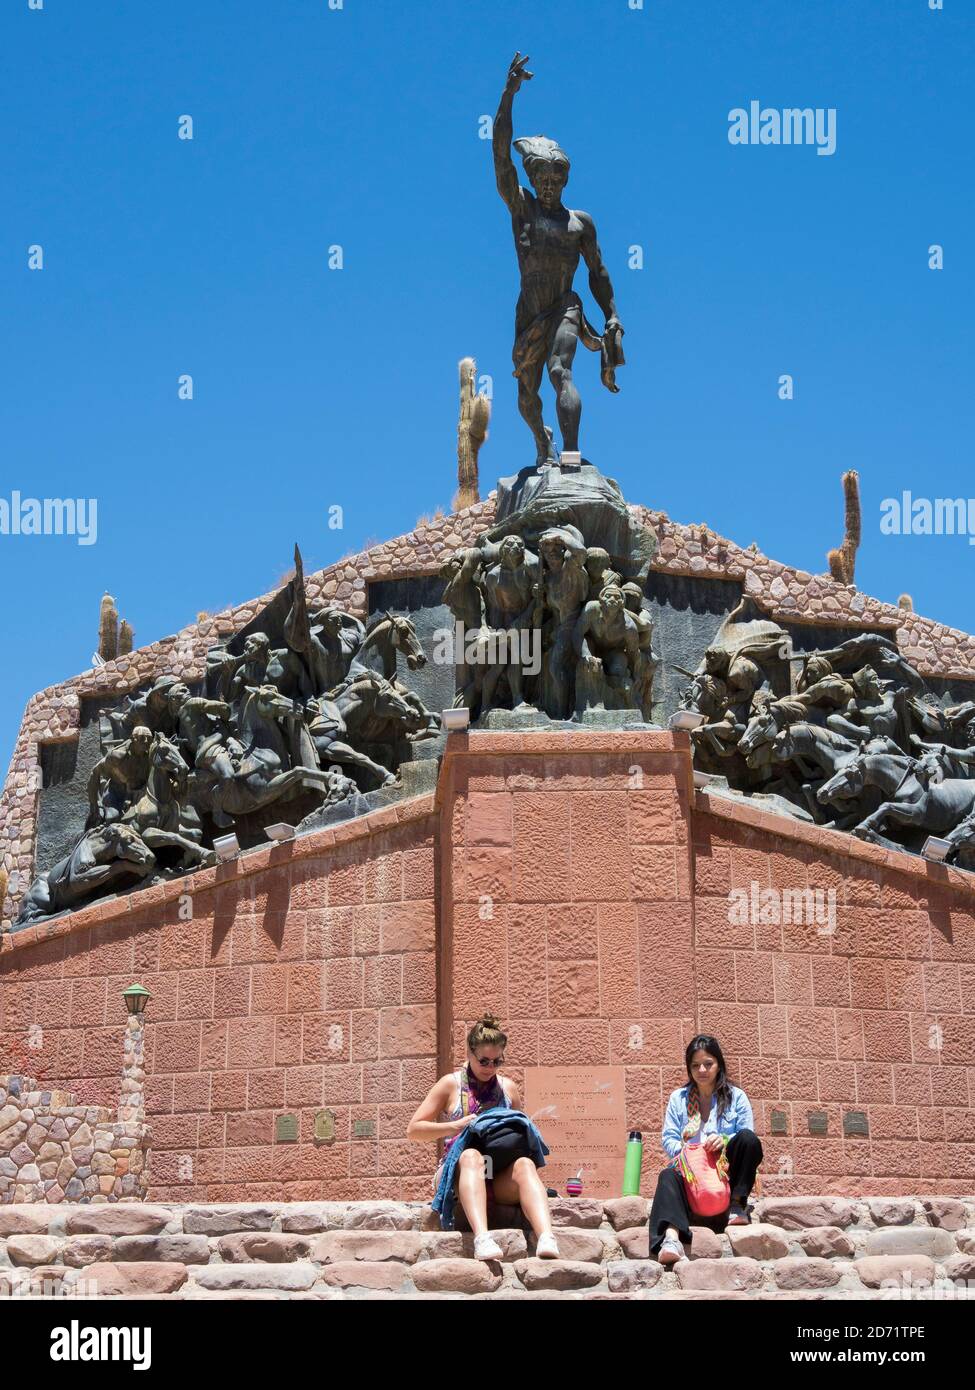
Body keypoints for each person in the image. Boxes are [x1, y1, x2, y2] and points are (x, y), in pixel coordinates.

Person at [406, 1013, 560, 1261]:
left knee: (525, 1164)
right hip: (458, 1172)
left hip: (497, 1173)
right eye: (484, 1061)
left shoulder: (507, 1088)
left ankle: (546, 1237)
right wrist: (455, 1126)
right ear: (469, 1053)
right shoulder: (451, 1084)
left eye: (497, 1061)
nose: (490, 1068)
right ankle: (482, 1239)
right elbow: (414, 1129)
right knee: (471, 1156)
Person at [648, 1034, 763, 1266]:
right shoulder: (678, 1099)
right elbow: (669, 1139)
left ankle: (737, 1204)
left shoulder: (736, 1097)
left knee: (748, 1140)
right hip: (692, 1174)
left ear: (719, 1064)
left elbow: (746, 1133)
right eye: (695, 1065)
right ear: (689, 1068)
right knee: (667, 1175)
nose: (702, 1070)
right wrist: (692, 1152)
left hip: (725, 1172)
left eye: (708, 1063)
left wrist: (724, 1141)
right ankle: (671, 1239)